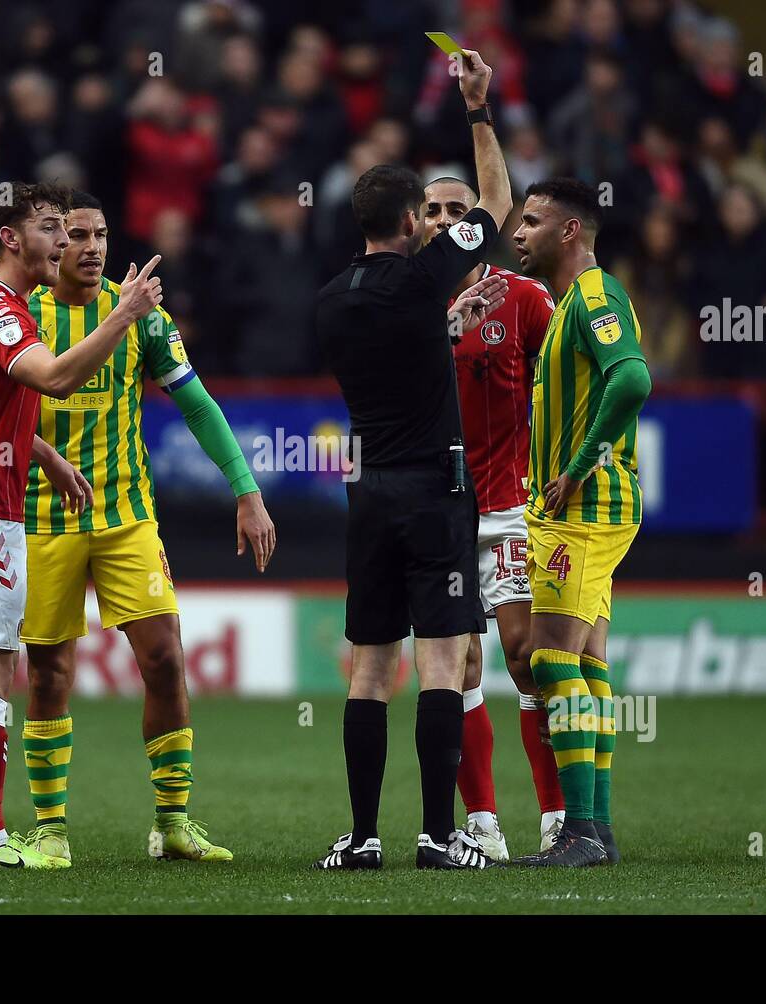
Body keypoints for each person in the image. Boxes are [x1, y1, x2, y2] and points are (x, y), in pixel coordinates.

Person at [0, 192, 274, 864]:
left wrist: (245, 489)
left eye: (101, 234)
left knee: (164, 657)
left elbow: (198, 404)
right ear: (48, 245)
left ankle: (173, 821)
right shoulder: (20, 310)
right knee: (46, 673)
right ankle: (49, 830)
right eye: (75, 235)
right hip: (32, 514)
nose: (93, 248)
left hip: (125, 514)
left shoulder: (143, 320)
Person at [0, 181, 163, 869]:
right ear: (12, 238)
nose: (66, 240)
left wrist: (44, 455)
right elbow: (53, 381)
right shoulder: (3, 312)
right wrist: (123, 316)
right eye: (52, 228)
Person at [312, 49, 512, 871]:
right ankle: (437, 835)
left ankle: (362, 837)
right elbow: (496, 202)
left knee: (368, 671)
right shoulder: (428, 279)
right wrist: (475, 107)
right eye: (425, 218)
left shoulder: (329, 301)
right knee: (439, 664)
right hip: (437, 486)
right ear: (410, 223)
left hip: (369, 493)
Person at [420, 176, 564, 861]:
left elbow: (573, 376)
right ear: (417, 224)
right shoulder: (408, 301)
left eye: (456, 208)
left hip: (509, 505)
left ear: (477, 220)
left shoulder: (525, 298)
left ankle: (558, 817)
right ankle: (482, 823)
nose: (444, 219)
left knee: (526, 657)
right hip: (440, 511)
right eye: (432, 210)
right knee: (460, 665)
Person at [510, 177, 653, 867]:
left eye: (532, 221)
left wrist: (579, 463)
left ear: (569, 232)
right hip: (589, 505)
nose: (518, 233)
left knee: (549, 658)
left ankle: (577, 831)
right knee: (588, 661)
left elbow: (633, 378)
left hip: (586, 506)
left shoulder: (594, 294)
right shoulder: (570, 304)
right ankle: (595, 828)